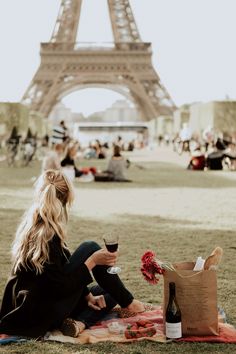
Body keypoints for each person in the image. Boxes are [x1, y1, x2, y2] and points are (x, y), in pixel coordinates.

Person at [0, 170, 144, 338]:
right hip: (37, 314)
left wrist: (88, 296)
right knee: (90, 247)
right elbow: (59, 287)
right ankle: (129, 303)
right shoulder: (47, 234)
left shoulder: (33, 223)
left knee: (108, 291)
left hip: (34, 304)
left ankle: (80, 323)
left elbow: (56, 275)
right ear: (66, 198)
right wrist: (92, 261)